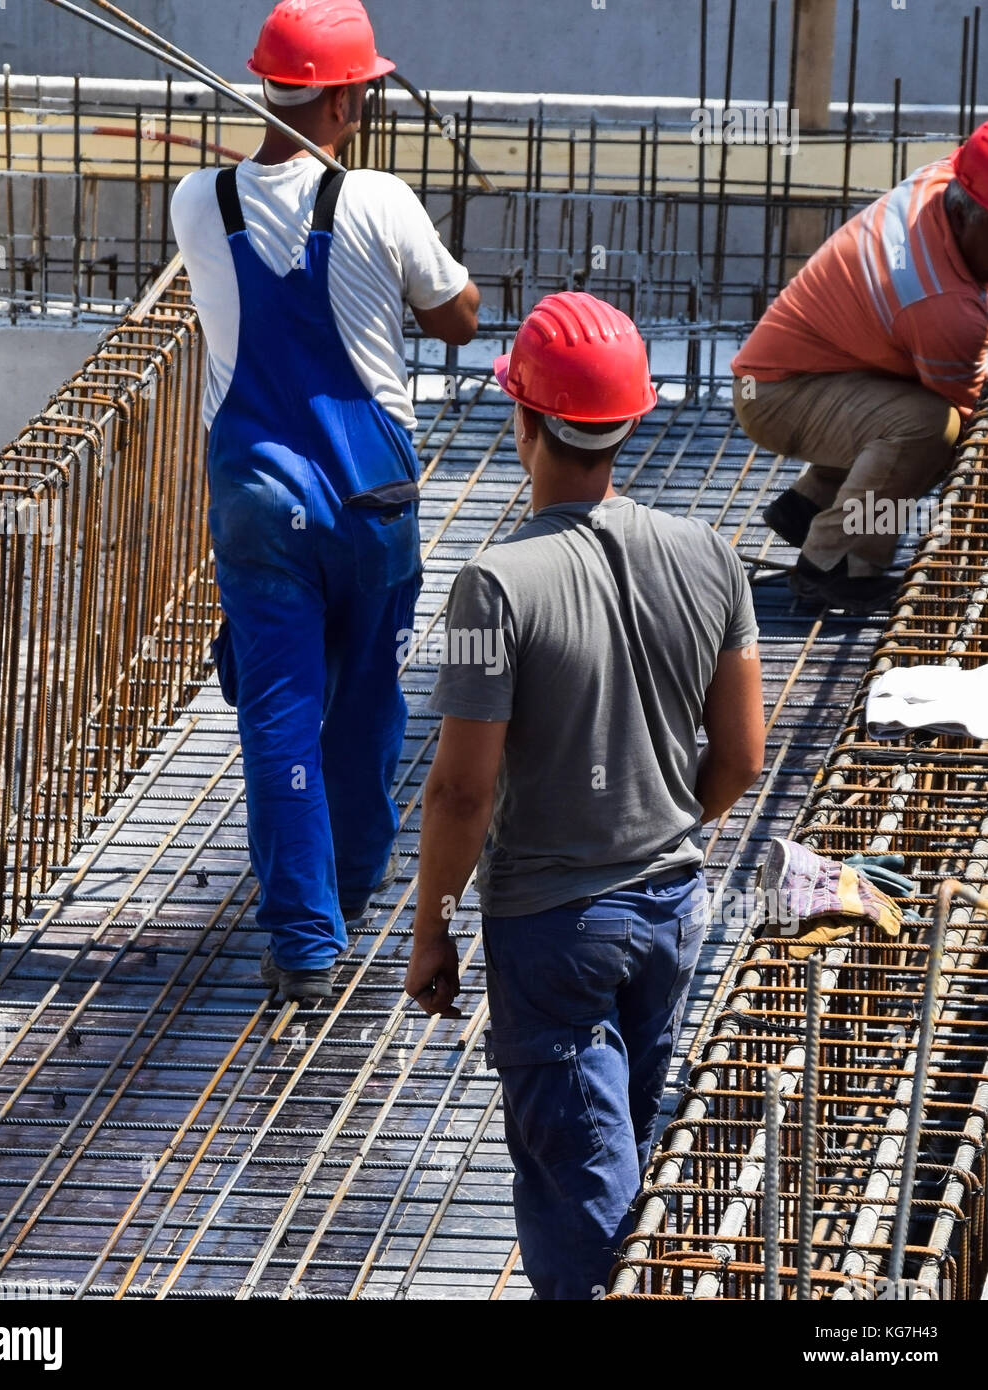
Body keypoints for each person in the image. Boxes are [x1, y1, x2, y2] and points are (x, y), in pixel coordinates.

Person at [404, 292, 765, 1300]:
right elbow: (741, 752)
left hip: (553, 932)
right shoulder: (712, 555)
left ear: (523, 423)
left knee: (583, 1204)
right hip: (670, 913)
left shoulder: (492, 584)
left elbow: (462, 790)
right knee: (627, 1158)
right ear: (631, 422)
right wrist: (660, 829)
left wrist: (432, 926)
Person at [170, 0, 480, 1003]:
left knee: (280, 710)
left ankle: (306, 937)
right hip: (369, 498)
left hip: (259, 497)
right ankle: (351, 879)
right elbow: (458, 318)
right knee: (368, 702)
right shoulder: (379, 202)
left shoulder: (195, 201)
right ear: (346, 100)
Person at [732, 123, 988, 614]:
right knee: (933, 430)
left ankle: (810, 508)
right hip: (775, 396)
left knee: (916, 412)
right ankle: (837, 562)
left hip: (806, 372)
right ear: (971, 217)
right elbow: (969, 417)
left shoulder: (940, 183)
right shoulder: (943, 307)